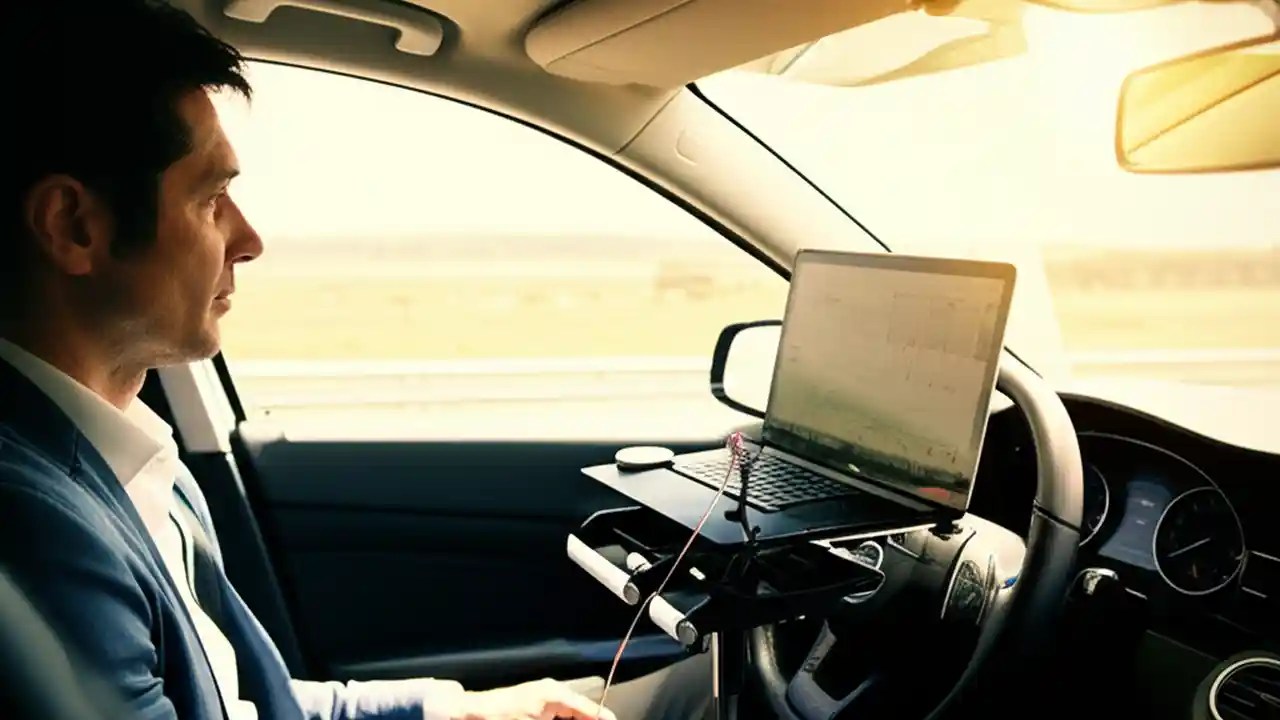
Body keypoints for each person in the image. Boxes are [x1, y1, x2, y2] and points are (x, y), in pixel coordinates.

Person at [0, 1, 713, 718]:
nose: (248, 239)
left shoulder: (130, 458)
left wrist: (458, 711)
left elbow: (249, 705)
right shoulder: (33, 524)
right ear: (73, 226)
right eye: (211, 198)